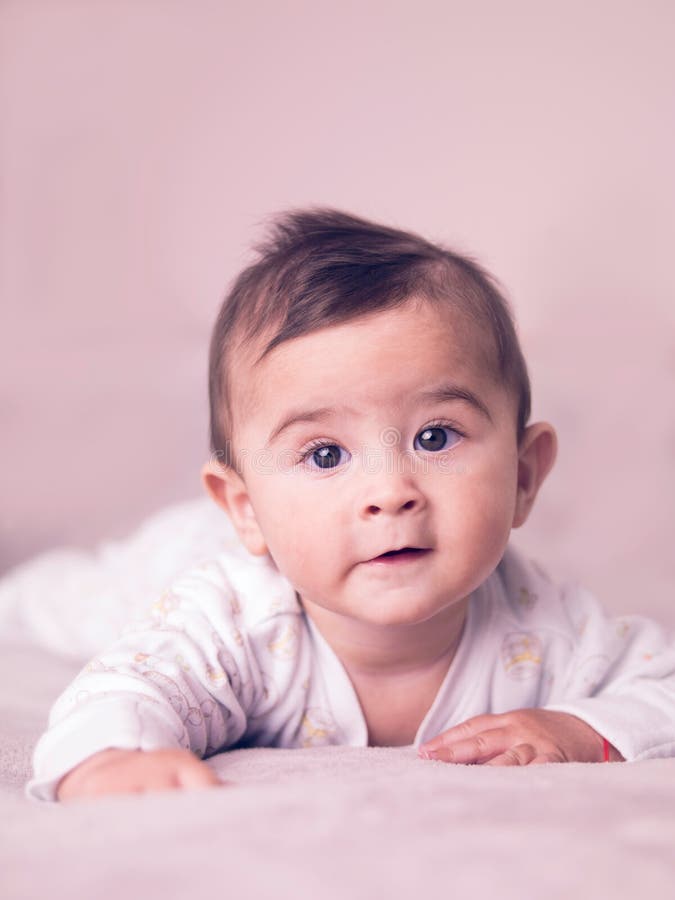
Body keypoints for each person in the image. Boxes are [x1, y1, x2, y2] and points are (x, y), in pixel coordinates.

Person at [26, 207, 675, 802]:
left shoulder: (550, 632)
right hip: (180, 558)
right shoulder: (227, 624)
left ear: (524, 476)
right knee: (66, 601)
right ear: (245, 507)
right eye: (326, 455)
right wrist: (109, 757)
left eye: (434, 436)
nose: (390, 492)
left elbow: (663, 691)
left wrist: (579, 728)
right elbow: (125, 689)